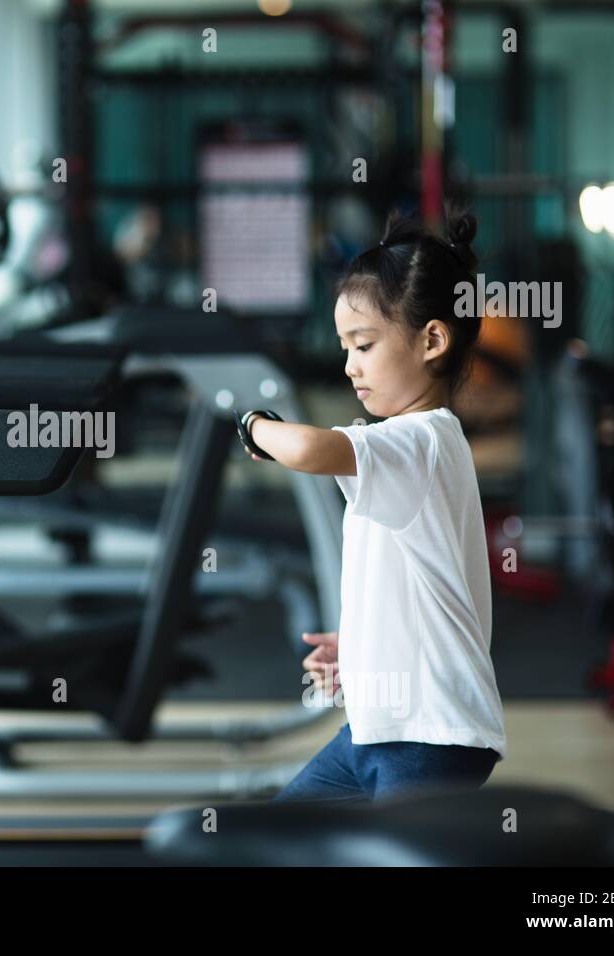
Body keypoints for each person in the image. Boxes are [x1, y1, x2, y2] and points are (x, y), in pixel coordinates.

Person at [237, 208, 506, 803]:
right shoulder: (417, 449)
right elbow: (410, 584)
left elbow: (307, 446)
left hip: (431, 740)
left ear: (432, 340)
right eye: (344, 347)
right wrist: (362, 650)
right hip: (376, 732)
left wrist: (251, 424)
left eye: (363, 345)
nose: (349, 364)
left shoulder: (418, 441)